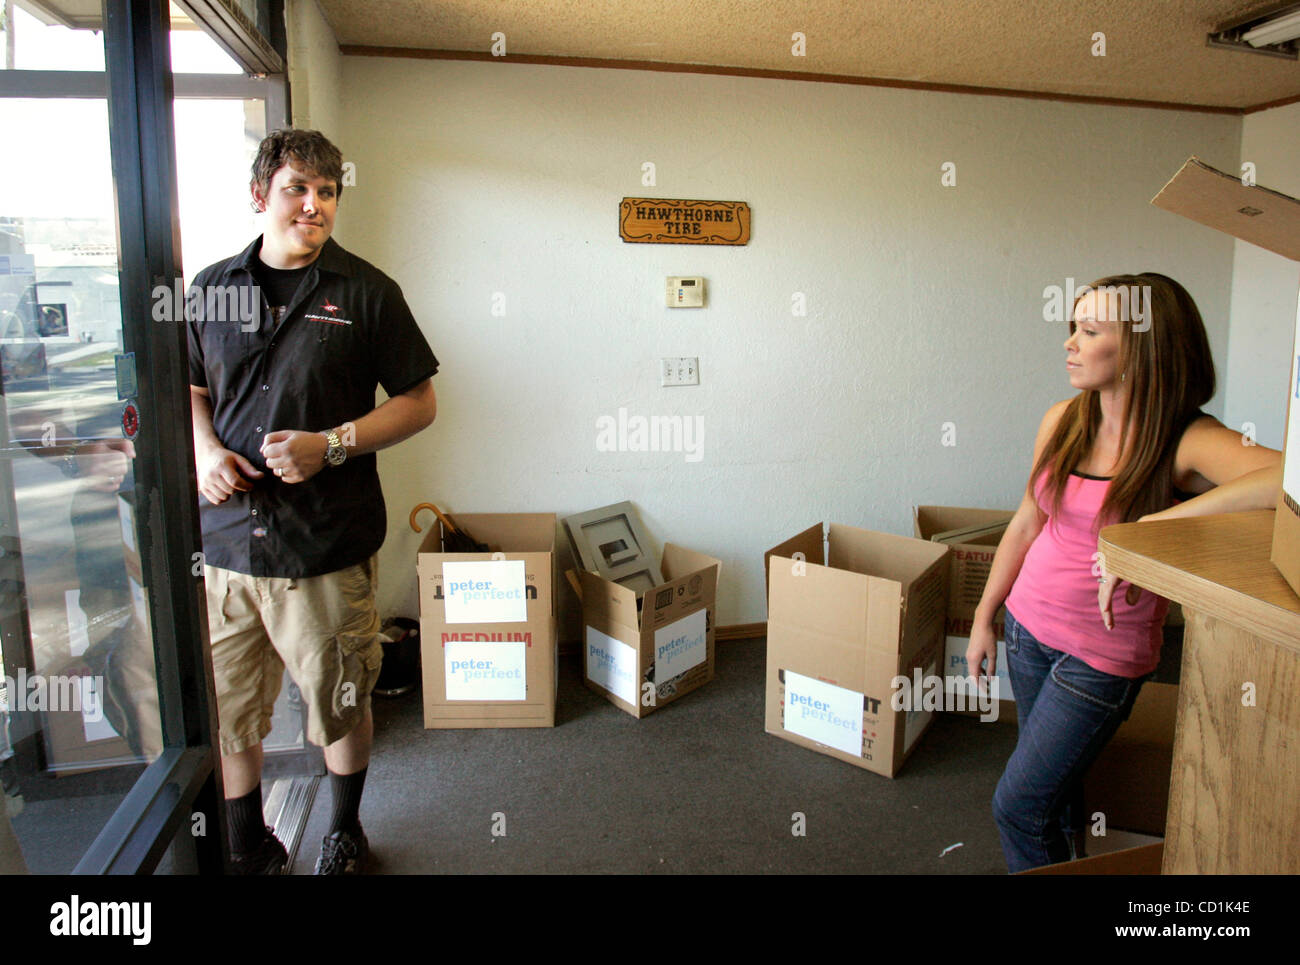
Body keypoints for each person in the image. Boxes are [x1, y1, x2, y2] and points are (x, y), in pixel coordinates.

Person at [966, 273, 1281, 873]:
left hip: (1102, 656)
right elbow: (1027, 523)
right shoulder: (1063, 419)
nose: (1070, 343)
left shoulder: (1183, 439)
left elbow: (1282, 478)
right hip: (1027, 629)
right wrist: (985, 616)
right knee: (1051, 799)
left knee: (1017, 805)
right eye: (1072, 328)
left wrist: (1147, 533)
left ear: (1142, 346)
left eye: (1090, 330)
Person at [186, 129, 438, 874]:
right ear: (260, 196)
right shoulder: (208, 290)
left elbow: (419, 402)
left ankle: (343, 829)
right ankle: (246, 841)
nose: (315, 204)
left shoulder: (367, 292)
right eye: (299, 188)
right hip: (227, 547)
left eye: (327, 191)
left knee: (340, 698)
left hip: (323, 545)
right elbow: (193, 391)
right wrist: (204, 452)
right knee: (231, 711)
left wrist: (328, 444)